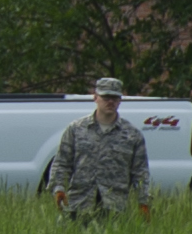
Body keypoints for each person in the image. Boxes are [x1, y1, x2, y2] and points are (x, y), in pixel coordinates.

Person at [49, 77, 152, 222]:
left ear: (120, 100)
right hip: (78, 205)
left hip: (115, 209)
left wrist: (143, 202)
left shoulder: (132, 135)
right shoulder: (76, 129)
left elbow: (140, 173)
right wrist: (59, 188)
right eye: (106, 97)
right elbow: (61, 163)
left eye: (114, 97)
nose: (110, 101)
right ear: (95, 97)